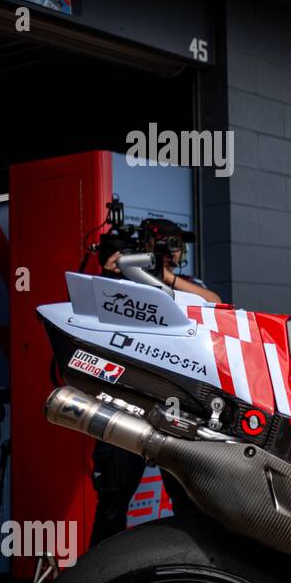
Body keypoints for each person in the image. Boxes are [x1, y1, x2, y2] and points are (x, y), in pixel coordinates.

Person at [92, 218, 217, 543]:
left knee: (189, 500)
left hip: (174, 408)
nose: (174, 251)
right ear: (146, 246)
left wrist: (168, 279)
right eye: (167, 244)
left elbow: (215, 303)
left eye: (177, 245)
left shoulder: (185, 283)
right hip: (125, 404)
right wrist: (116, 274)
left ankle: (199, 572)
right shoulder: (122, 280)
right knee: (112, 503)